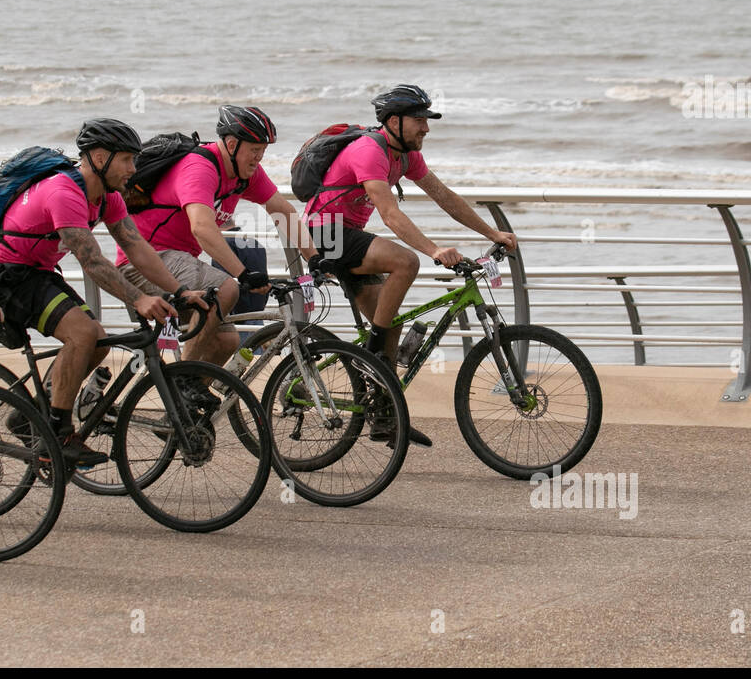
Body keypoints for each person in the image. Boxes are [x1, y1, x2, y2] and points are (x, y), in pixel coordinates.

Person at [0, 117, 208, 468]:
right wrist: (139, 299)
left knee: (96, 342)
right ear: (99, 157)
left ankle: (28, 416)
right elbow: (93, 262)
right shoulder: (64, 192)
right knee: (83, 334)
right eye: (127, 159)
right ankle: (58, 432)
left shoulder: (109, 197)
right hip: (6, 276)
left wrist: (179, 290)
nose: (134, 168)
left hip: (37, 273)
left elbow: (137, 247)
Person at [301, 84, 517, 447]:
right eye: (419, 121)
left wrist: (492, 231)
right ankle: (373, 354)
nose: (426, 129)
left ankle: (383, 416)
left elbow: (445, 197)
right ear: (394, 121)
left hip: (349, 234)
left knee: (391, 325)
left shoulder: (406, 155)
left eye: (426, 121)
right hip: (326, 235)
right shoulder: (369, 150)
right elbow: (388, 213)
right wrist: (433, 249)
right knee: (405, 262)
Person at [115, 105, 319, 366]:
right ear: (232, 145)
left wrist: (314, 259)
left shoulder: (245, 174)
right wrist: (243, 274)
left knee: (227, 342)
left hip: (178, 261)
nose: (259, 158)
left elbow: (283, 211)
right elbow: (201, 228)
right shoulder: (200, 168)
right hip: (146, 260)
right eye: (255, 150)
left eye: (264, 151)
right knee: (226, 288)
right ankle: (182, 381)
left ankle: (189, 396)